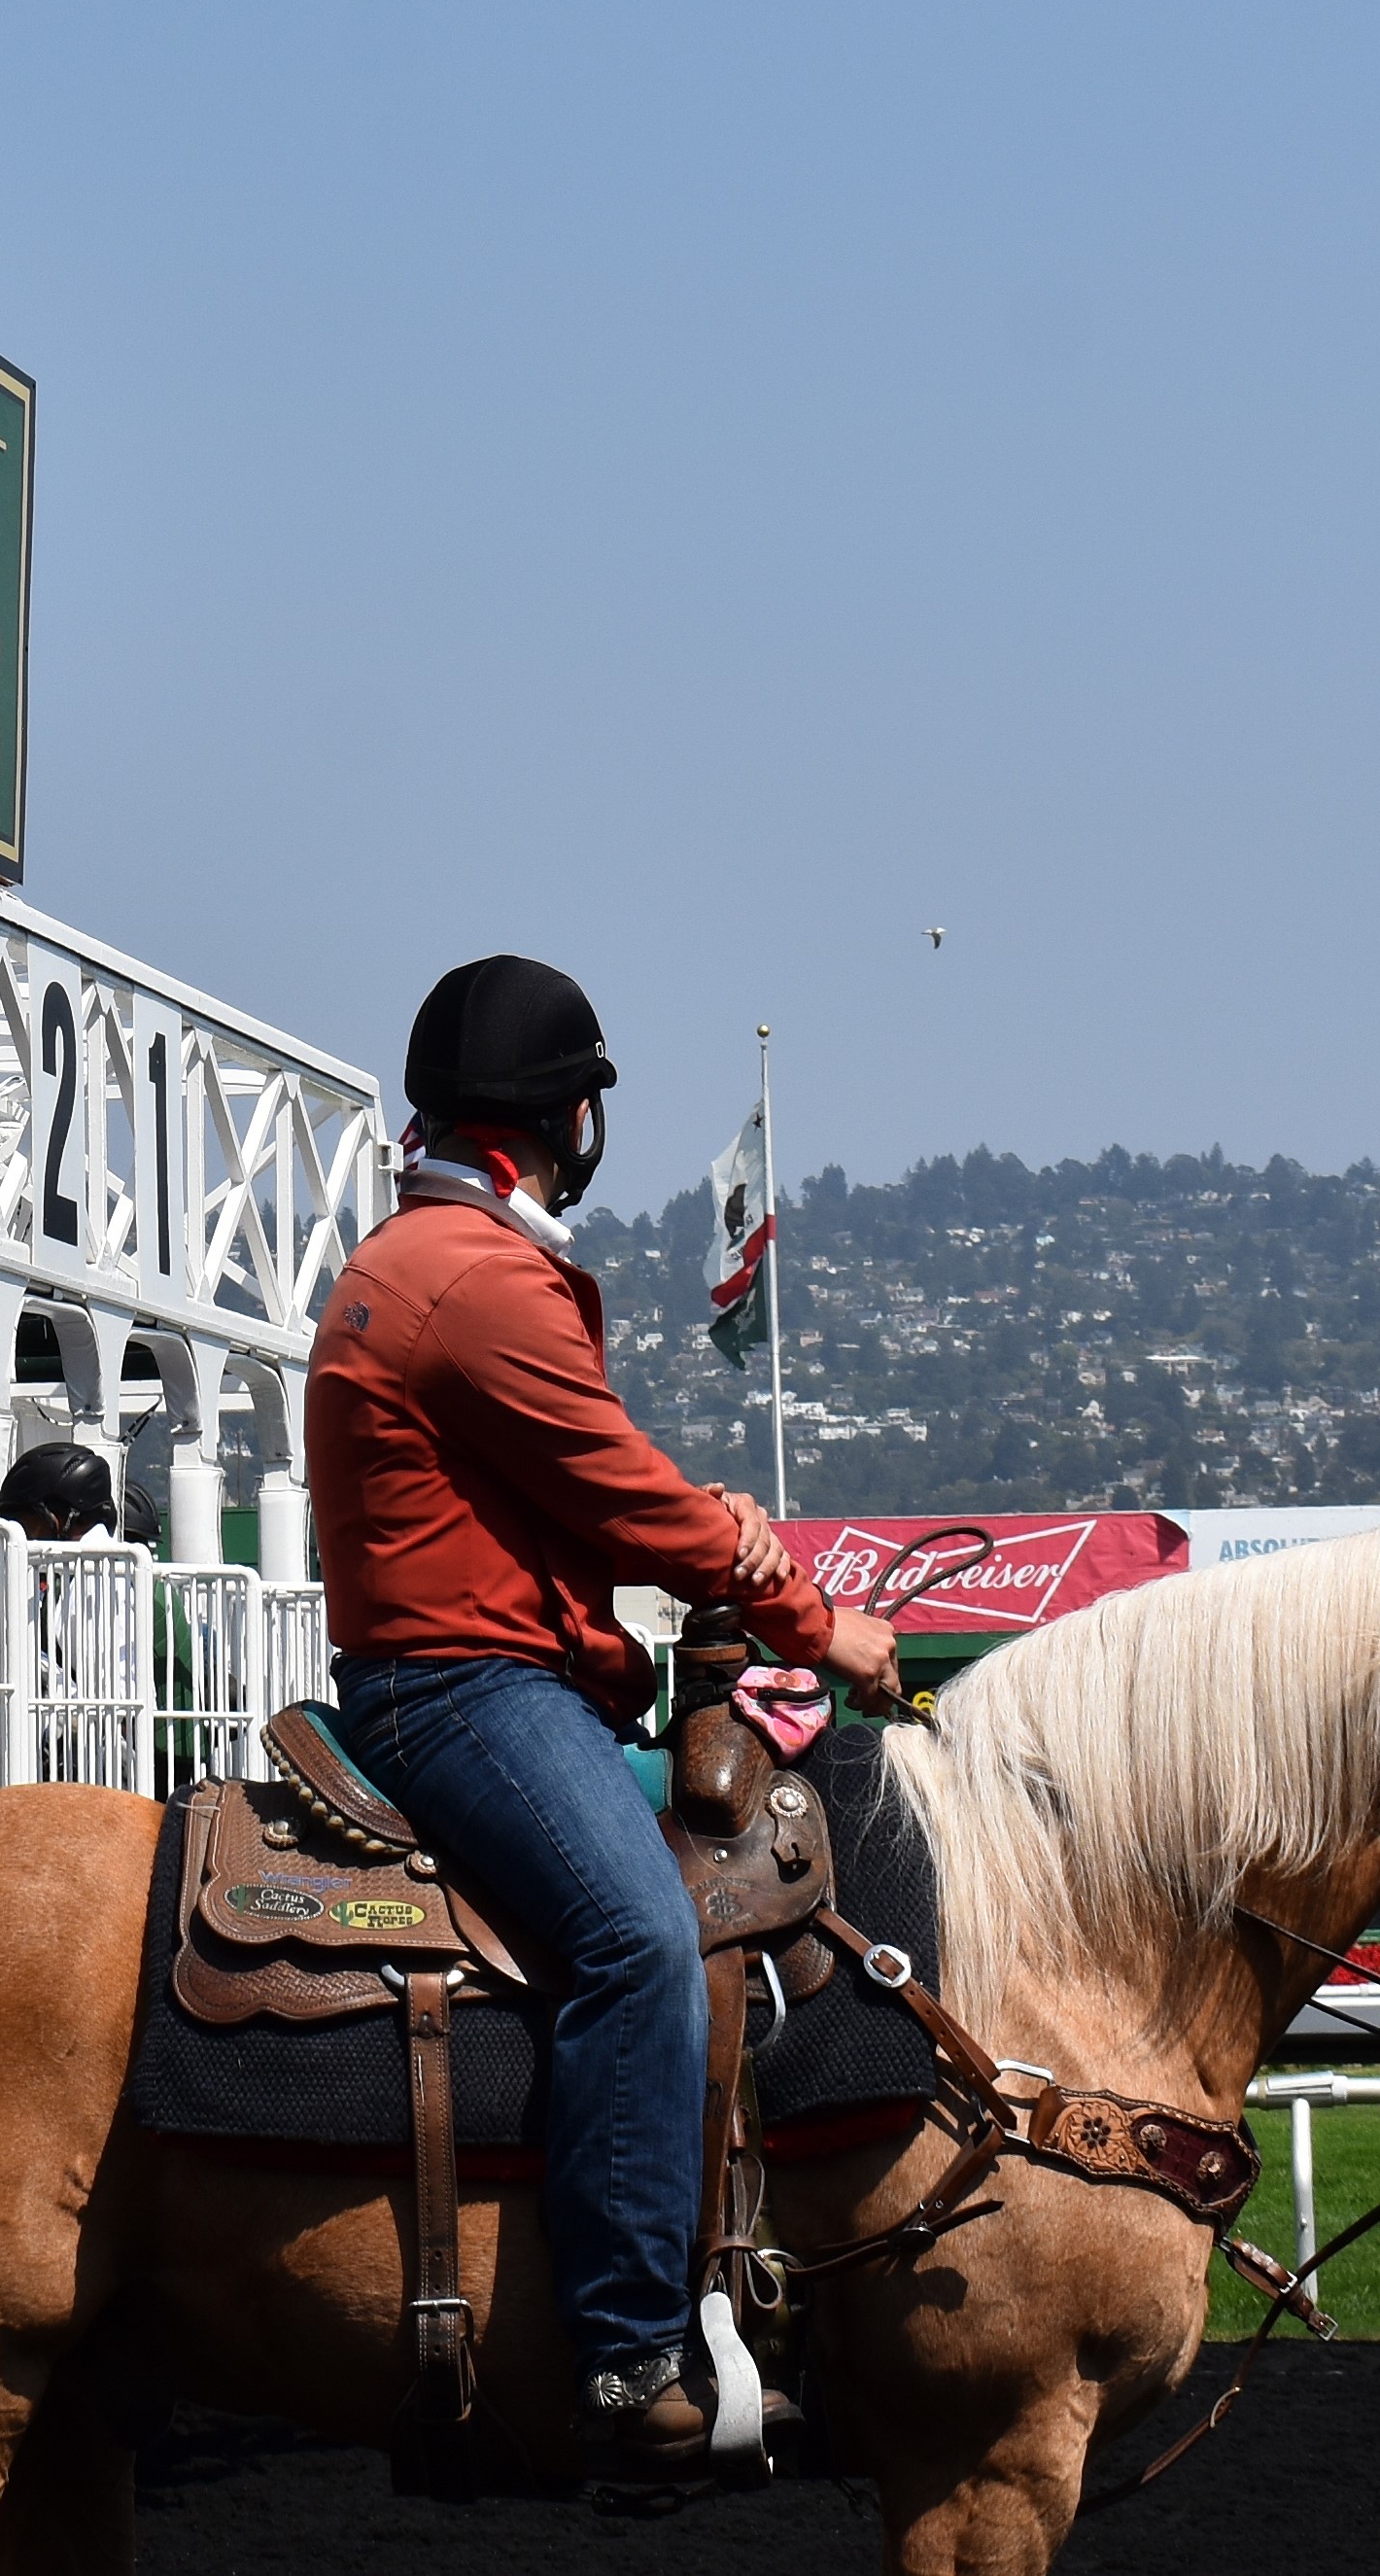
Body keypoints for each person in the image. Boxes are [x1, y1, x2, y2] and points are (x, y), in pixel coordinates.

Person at [307, 954, 903, 2471]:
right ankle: (630, 2353)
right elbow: (624, 1498)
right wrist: (813, 1619)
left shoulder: (431, 1257)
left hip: (476, 1674)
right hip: (468, 1692)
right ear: (569, 1119)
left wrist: (715, 1531)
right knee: (637, 1941)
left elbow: (593, 1490)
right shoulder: (479, 1280)